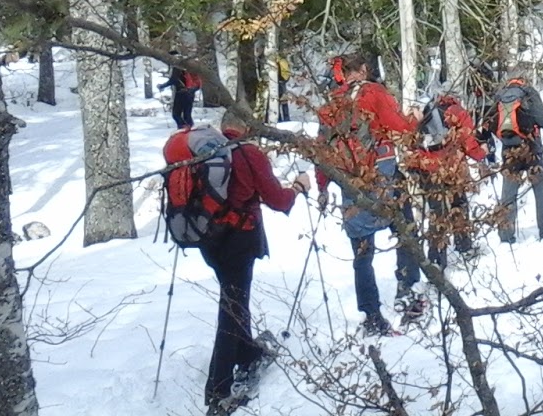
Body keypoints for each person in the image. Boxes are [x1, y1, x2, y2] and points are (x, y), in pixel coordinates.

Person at [163, 123, 309, 415]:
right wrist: (297, 187)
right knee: (231, 308)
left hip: (208, 238)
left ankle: (247, 352)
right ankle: (218, 390)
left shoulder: (205, 154)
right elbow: (278, 200)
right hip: (240, 238)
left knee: (234, 299)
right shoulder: (248, 153)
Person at [314, 53, 424, 333]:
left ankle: (372, 314)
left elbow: (322, 150)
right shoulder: (373, 92)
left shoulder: (330, 106)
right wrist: (415, 119)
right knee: (406, 231)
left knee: (362, 253)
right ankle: (408, 290)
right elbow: (399, 126)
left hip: (350, 180)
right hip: (384, 172)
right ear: (363, 69)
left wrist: (323, 186)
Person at [406, 91, 487, 265]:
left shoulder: (419, 111)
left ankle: (436, 259)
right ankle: (464, 246)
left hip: (426, 168)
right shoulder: (457, 111)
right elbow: (468, 141)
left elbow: (408, 139)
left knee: (437, 213)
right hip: (451, 168)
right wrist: (482, 155)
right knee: (459, 204)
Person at [480, 70, 543, 243]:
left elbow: (488, 121)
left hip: (509, 150)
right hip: (532, 149)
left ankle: (506, 235)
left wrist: (503, 137)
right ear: (525, 79)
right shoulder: (530, 92)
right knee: (540, 190)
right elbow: (541, 119)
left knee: (508, 194)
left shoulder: (500, 95)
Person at [160, 64, 202, 129]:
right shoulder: (190, 66)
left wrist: (162, 86)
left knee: (176, 114)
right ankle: (190, 129)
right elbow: (198, 83)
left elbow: (173, 80)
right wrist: (192, 90)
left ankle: (183, 129)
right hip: (190, 94)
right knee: (187, 115)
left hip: (181, 94)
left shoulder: (177, 66)